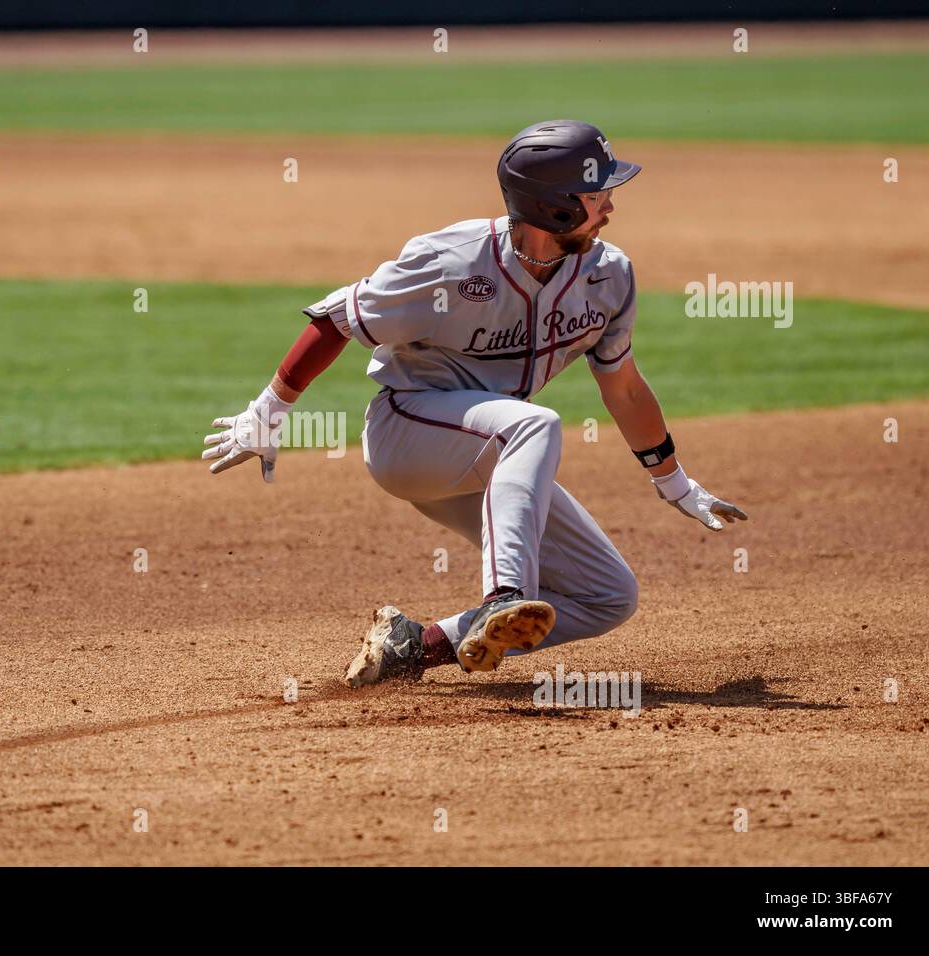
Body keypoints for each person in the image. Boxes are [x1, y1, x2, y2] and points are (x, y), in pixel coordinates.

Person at [202, 120, 747, 688]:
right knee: (534, 425)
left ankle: (413, 646)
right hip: (408, 434)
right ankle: (503, 596)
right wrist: (268, 410)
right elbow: (338, 316)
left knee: (609, 594)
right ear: (555, 207)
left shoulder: (606, 276)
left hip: (493, 454)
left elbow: (625, 387)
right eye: (596, 192)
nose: (610, 203)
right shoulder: (453, 261)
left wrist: (675, 482)